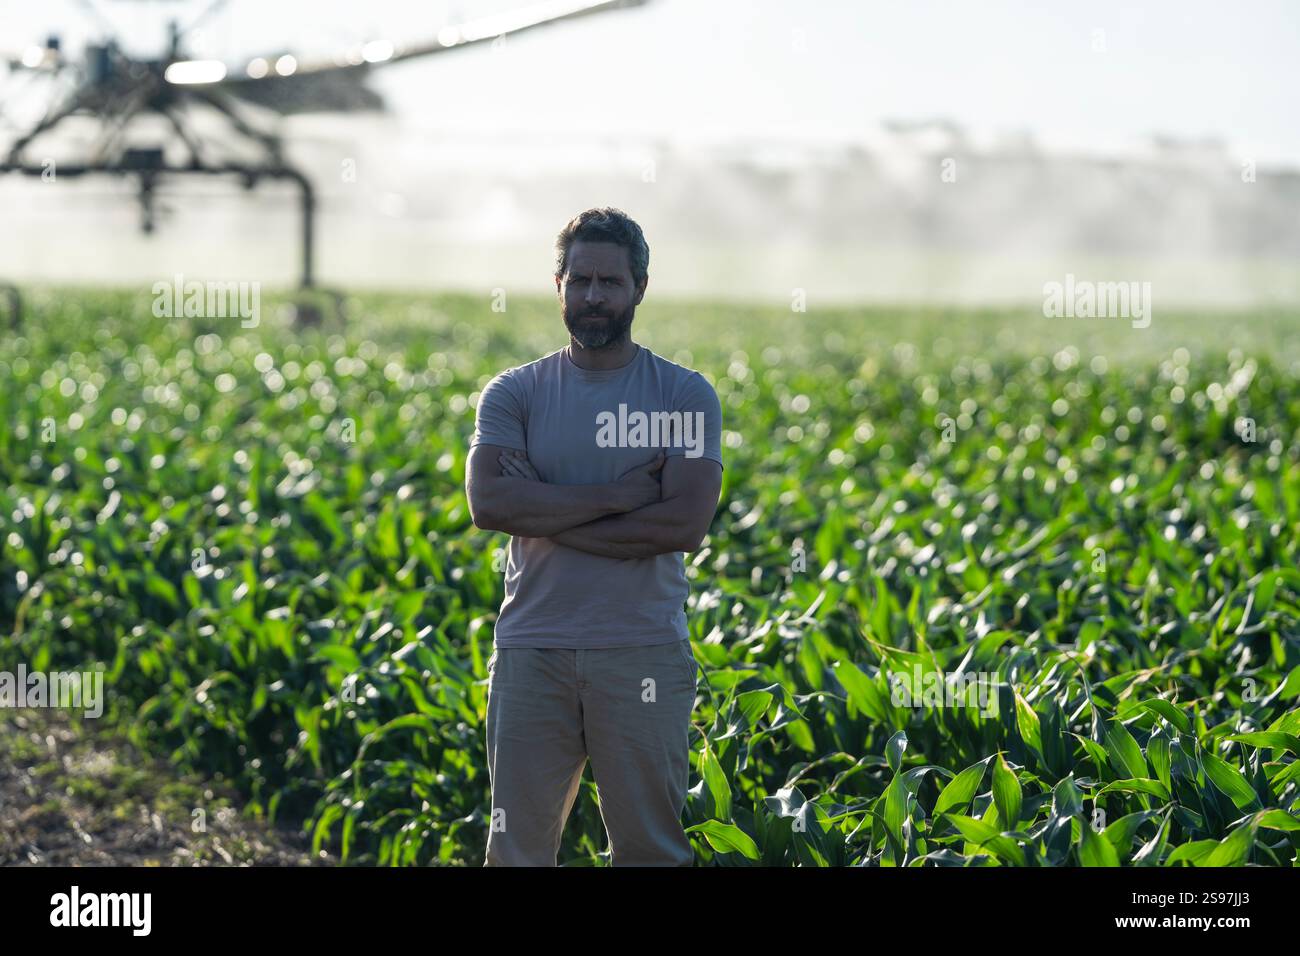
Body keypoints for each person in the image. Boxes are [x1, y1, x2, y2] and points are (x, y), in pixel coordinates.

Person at [465, 206, 724, 866]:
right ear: (558, 287)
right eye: (579, 281)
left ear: (639, 286)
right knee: (516, 850)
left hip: (640, 651)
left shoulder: (684, 397)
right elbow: (491, 503)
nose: (594, 297)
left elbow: (683, 525)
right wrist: (620, 497)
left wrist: (546, 510)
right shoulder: (513, 394)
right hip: (532, 648)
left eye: (610, 282)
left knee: (649, 850)